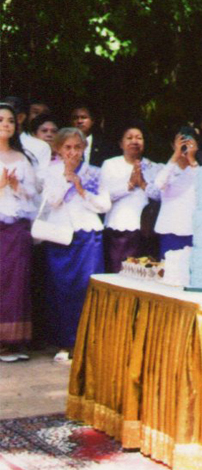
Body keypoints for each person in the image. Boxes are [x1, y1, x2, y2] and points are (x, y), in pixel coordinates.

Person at [40, 128, 110, 362]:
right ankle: (64, 342)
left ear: (84, 149)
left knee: (86, 288)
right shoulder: (51, 171)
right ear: (58, 149)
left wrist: (81, 189)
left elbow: (104, 205)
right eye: (67, 147)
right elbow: (52, 201)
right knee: (61, 289)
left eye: (77, 147)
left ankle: (87, 342)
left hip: (87, 236)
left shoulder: (95, 172)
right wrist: (66, 176)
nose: (72, 152)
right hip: (60, 236)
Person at [0, 104, 37, 361]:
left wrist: (15, 186)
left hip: (16, 227)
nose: (6, 124)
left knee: (16, 282)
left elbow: (33, 193)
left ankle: (12, 342)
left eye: (10, 120)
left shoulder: (22, 158)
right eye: (1, 120)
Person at [101, 123, 161, 271]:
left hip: (146, 231)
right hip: (119, 228)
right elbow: (105, 195)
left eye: (139, 138)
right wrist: (129, 185)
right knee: (118, 274)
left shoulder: (154, 167)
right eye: (129, 138)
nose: (134, 141)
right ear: (121, 144)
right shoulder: (110, 164)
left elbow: (160, 196)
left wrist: (143, 184)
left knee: (143, 275)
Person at [152, 129, 200, 257]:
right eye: (181, 141)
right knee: (169, 267)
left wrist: (192, 159)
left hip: (193, 230)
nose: (185, 145)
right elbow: (158, 184)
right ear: (173, 145)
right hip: (169, 229)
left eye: (189, 141)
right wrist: (176, 155)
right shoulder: (166, 169)